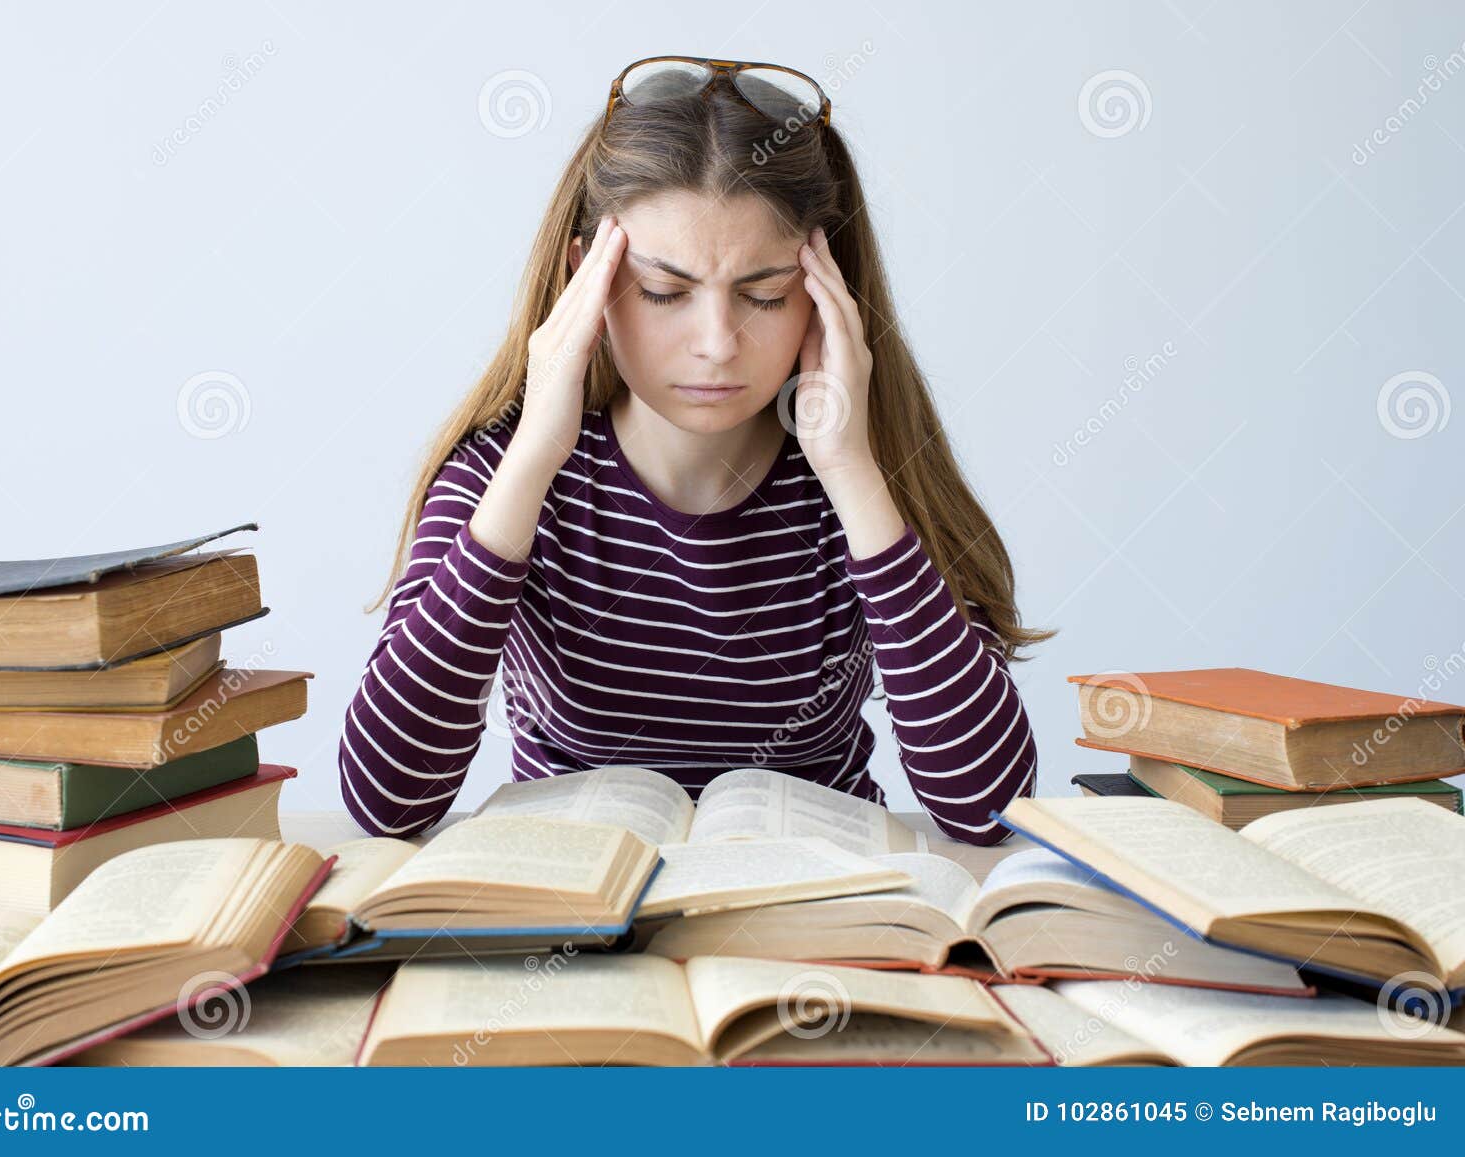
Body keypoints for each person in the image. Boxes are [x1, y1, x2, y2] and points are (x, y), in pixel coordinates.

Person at [340, 55, 1054, 847]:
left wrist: (851, 473)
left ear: (826, 294)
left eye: (763, 294)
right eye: (664, 292)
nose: (718, 345)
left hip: (820, 918)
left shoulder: (869, 476)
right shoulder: (496, 475)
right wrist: (531, 466)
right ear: (590, 283)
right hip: (568, 914)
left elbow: (986, 806)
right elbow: (387, 802)